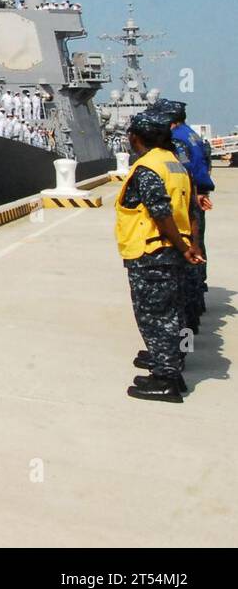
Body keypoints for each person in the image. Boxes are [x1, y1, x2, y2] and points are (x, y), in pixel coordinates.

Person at [116, 110, 204, 403]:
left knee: (155, 317)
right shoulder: (176, 166)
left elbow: (161, 213)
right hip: (171, 253)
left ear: (136, 137)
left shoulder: (148, 168)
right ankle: (170, 369)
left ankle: (165, 380)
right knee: (172, 314)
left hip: (152, 253)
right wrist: (192, 244)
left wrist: (182, 246)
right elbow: (192, 209)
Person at [151, 99, 215, 333]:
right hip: (194, 197)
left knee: (184, 262)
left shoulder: (177, 139)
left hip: (184, 202)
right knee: (196, 253)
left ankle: (185, 326)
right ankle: (194, 308)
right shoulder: (191, 135)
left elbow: (184, 169)